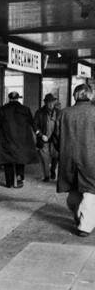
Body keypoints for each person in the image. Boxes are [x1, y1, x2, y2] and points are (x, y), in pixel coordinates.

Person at [52, 83, 95, 236]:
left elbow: (55, 137)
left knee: (74, 189)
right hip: (91, 158)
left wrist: (64, 151)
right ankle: (85, 226)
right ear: (90, 95)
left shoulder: (64, 113)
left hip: (68, 158)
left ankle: (78, 215)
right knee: (91, 191)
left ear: (75, 96)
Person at [0, 91, 36, 188]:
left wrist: (4, 127)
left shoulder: (3, 109)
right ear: (18, 98)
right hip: (22, 140)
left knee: (8, 161)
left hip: (7, 139)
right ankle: (19, 181)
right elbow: (32, 122)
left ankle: (9, 183)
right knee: (20, 160)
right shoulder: (25, 109)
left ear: (9, 98)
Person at [33, 93, 60, 182]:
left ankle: (53, 170)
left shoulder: (59, 112)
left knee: (55, 156)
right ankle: (47, 175)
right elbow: (35, 125)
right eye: (49, 102)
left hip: (55, 139)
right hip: (44, 139)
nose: (51, 104)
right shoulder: (39, 112)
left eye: (52, 102)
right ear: (45, 103)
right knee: (45, 158)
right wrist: (40, 135)